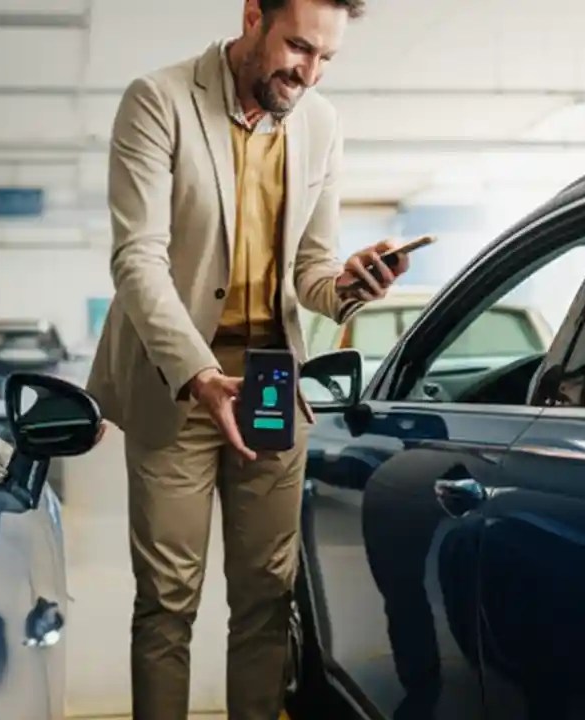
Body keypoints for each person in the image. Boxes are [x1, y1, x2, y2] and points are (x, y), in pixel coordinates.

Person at [85, 0, 413, 717]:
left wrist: (352, 286)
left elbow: (313, 272)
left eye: (326, 58)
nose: (309, 72)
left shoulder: (321, 124)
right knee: (168, 599)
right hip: (177, 378)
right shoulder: (159, 101)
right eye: (298, 47)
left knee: (267, 595)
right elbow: (138, 259)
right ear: (253, 16)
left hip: (270, 379)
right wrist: (200, 375)